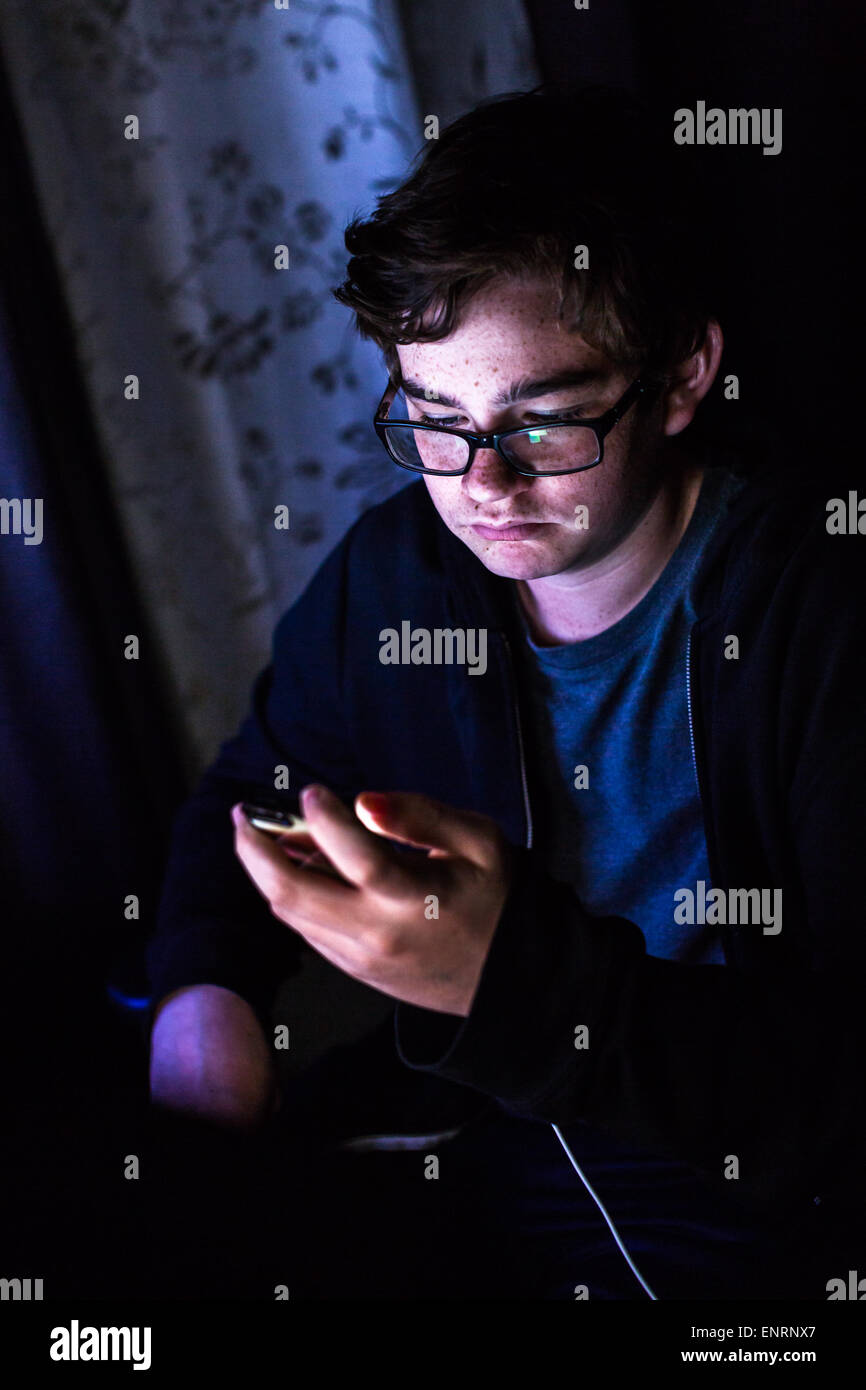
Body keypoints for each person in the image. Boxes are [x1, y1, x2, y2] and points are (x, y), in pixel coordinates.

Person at [145, 86, 866, 1300]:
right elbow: (251, 791)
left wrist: (502, 981)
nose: (482, 483)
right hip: (478, 1151)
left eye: (542, 423)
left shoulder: (822, 614)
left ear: (682, 375)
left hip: (764, 1196)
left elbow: (836, 1086)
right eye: (434, 419)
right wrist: (199, 994)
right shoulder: (397, 575)